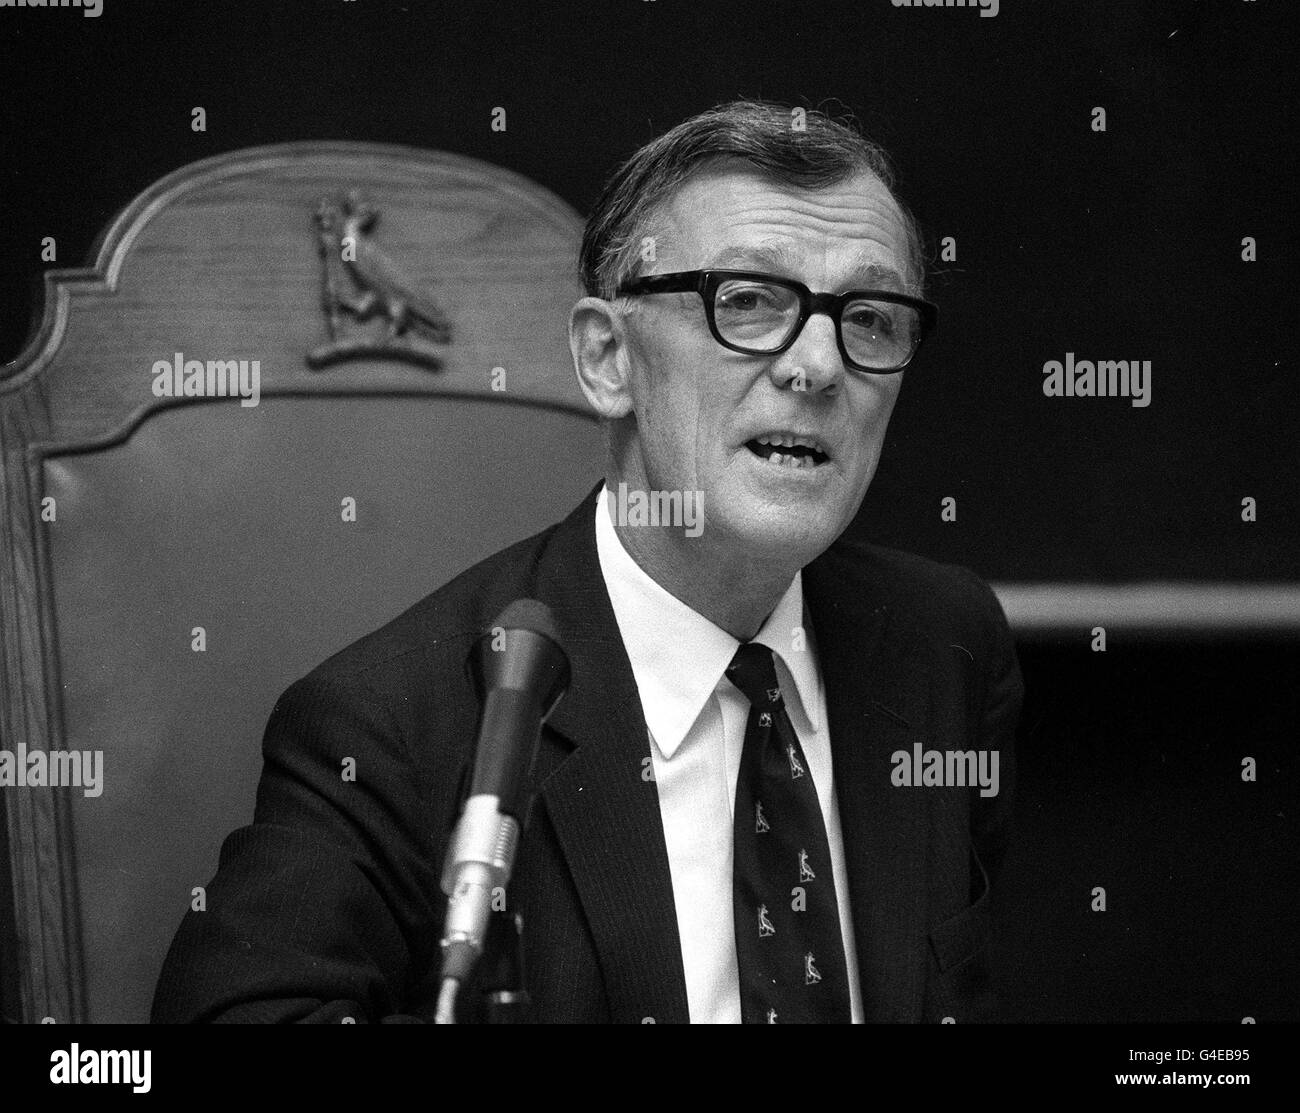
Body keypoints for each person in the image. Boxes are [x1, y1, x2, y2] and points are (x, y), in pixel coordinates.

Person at [152, 99, 1023, 1024]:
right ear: (608, 358)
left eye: (872, 318)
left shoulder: (945, 648)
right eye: (751, 302)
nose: (817, 365)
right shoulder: (396, 724)